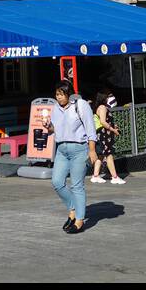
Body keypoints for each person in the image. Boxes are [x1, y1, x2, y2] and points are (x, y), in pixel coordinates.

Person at [44, 80, 99, 234]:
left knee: (76, 185)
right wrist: (49, 127)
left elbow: (90, 128)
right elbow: (54, 129)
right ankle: (73, 209)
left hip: (79, 149)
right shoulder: (55, 108)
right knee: (57, 182)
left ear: (69, 94)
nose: (59, 98)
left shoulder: (80, 105)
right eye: (57, 94)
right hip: (61, 149)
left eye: (61, 94)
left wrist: (92, 150)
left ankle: (79, 220)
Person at [90, 89, 125, 184]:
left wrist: (113, 126)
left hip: (101, 133)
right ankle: (115, 177)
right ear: (104, 98)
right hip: (104, 134)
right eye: (107, 97)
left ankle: (95, 175)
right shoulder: (102, 108)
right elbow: (103, 122)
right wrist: (112, 129)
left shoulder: (98, 107)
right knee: (109, 155)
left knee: (101, 155)